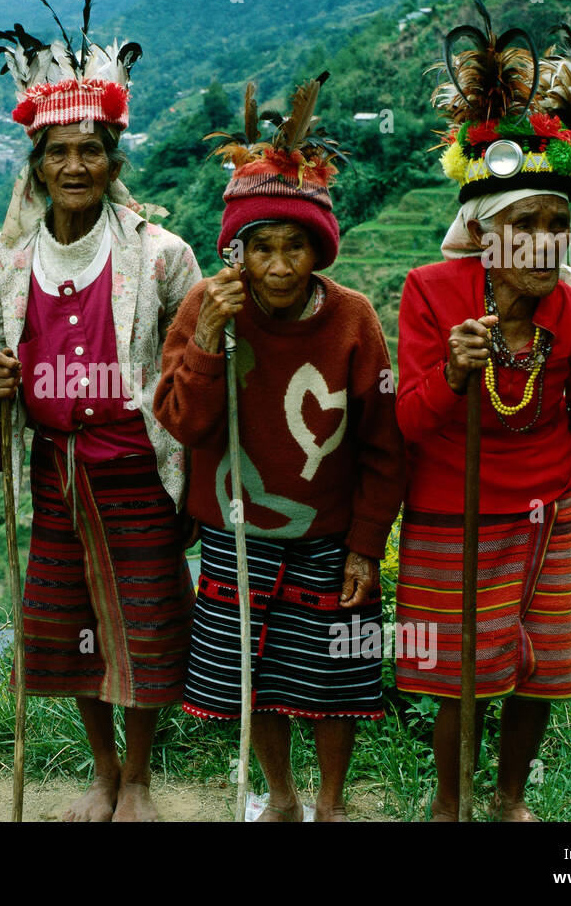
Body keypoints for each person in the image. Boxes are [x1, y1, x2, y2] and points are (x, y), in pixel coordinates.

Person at [0, 0, 202, 822]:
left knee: (142, 621)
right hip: (55, 469)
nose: (75, 165)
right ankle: (102, 775)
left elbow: (196, 355)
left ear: (112, 161)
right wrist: (1, 385)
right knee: (73, 628)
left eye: (91, 150)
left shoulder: (161, 255)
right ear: (36, 163)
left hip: (137, 463)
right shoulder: (2, 265)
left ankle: (138, 779)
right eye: (58, 151)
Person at [394, 1, 571, 820]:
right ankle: (449, 805)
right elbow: (409, 423)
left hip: (547, 517)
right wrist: (454, 376)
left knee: (540, 668)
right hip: (454, 515)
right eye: (523, 222)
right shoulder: (431, 294)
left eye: (557, 224)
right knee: (463, 673)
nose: (543, 240)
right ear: (487, 233)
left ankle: (508, 798)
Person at [154, 73, 404, 821]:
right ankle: (284, 798)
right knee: (252, 673)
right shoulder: (208, 306)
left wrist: (367, 544)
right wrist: (204, 339)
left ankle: (331, 802)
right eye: (261, 247)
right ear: (238, 250)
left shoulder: (355, 319)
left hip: (330, 535)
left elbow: (385, 445)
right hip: (237, 531)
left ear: (317, 248)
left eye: (295, 246)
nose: (279, 264)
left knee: (334, 676)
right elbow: (183, 421)